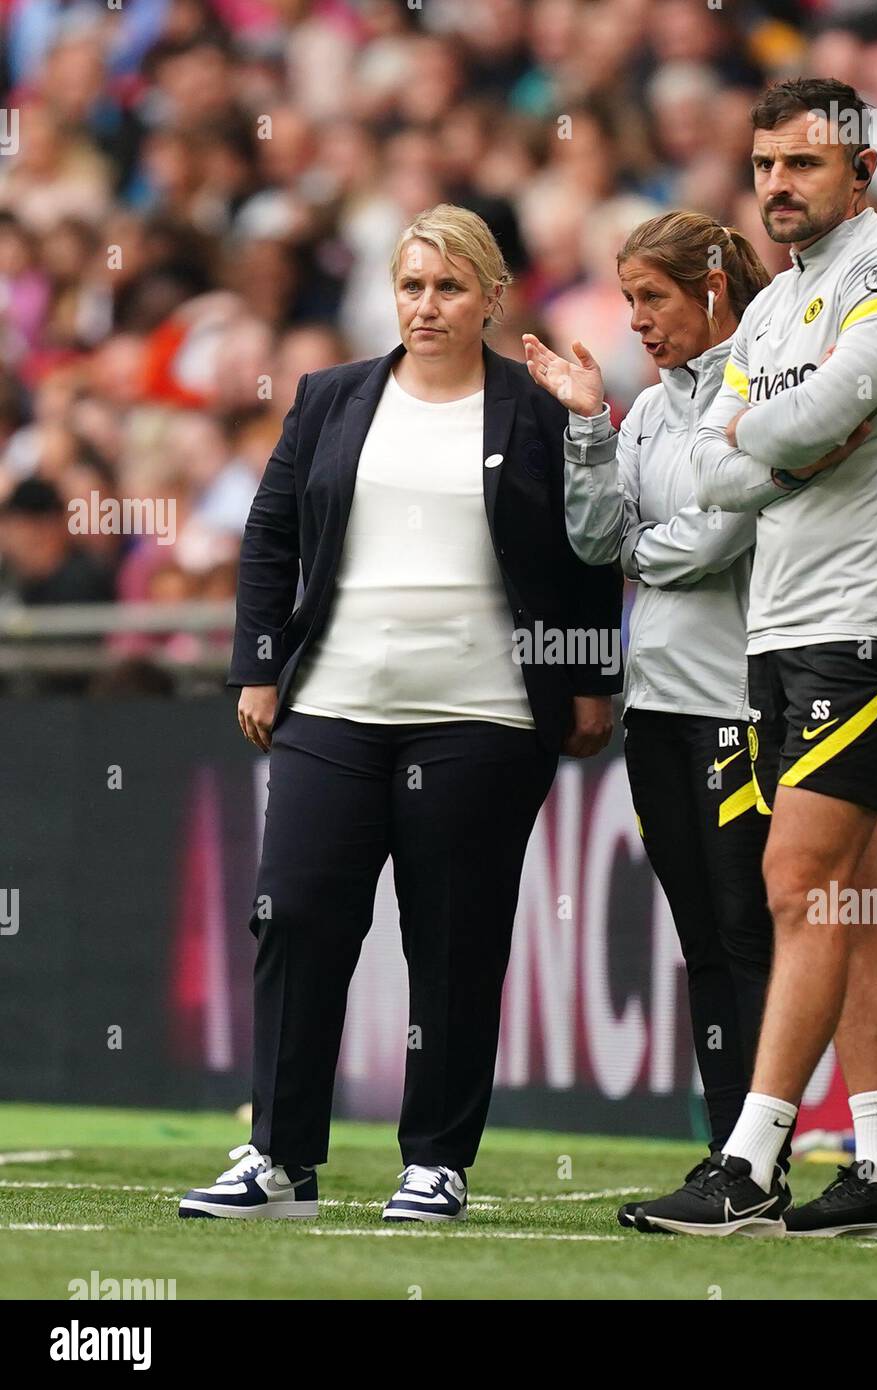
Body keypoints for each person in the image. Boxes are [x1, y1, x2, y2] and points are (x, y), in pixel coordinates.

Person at [178, 204, 622, 1223]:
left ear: (492, 298)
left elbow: (587, 558)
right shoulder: (332, 397)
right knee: (292, 913)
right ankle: (279, 1160)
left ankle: (436, 1161)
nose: (428, 306)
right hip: (332, 706)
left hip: (483, 717)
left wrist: (592, 680)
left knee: (456, 938)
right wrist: (257, 668)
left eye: (450, 287)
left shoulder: (537, 410)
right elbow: (269, 536)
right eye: (414, 286)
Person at [626, 77, 877, 1239]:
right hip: (776, 621)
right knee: (853, 897)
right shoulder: (769, 315)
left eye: (805, 165)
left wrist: (766, 442)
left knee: (795, 883)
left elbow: (800, 429)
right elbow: (744, 456)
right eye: (766, 164)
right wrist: (775, 446)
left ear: (861, 172)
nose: (779, 185)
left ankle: (753, 1158)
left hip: (867, 616)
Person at [522, 210, 868, 1222]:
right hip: (659, 703)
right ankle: (733, 1154)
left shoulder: (769, 387)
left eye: (653, 299)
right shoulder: (645, 411)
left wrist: (642, 545)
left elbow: (718, 537)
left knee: (745, 927)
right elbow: (596, 538)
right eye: (629, 301)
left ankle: (761, 1158)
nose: (636, 321)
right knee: (703, 938)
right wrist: (588, 421)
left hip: (740, 703)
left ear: (713, 290)